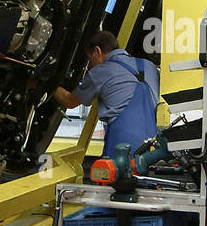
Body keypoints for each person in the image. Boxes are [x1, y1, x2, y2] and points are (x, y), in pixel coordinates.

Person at [53, 30, 159, 158]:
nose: (90, 65)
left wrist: (42, 83)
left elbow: (69, 101)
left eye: (90, 59)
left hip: (121, 149)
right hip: (154, 149)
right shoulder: (150, 66)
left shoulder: (100, 72)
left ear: (97, 51)